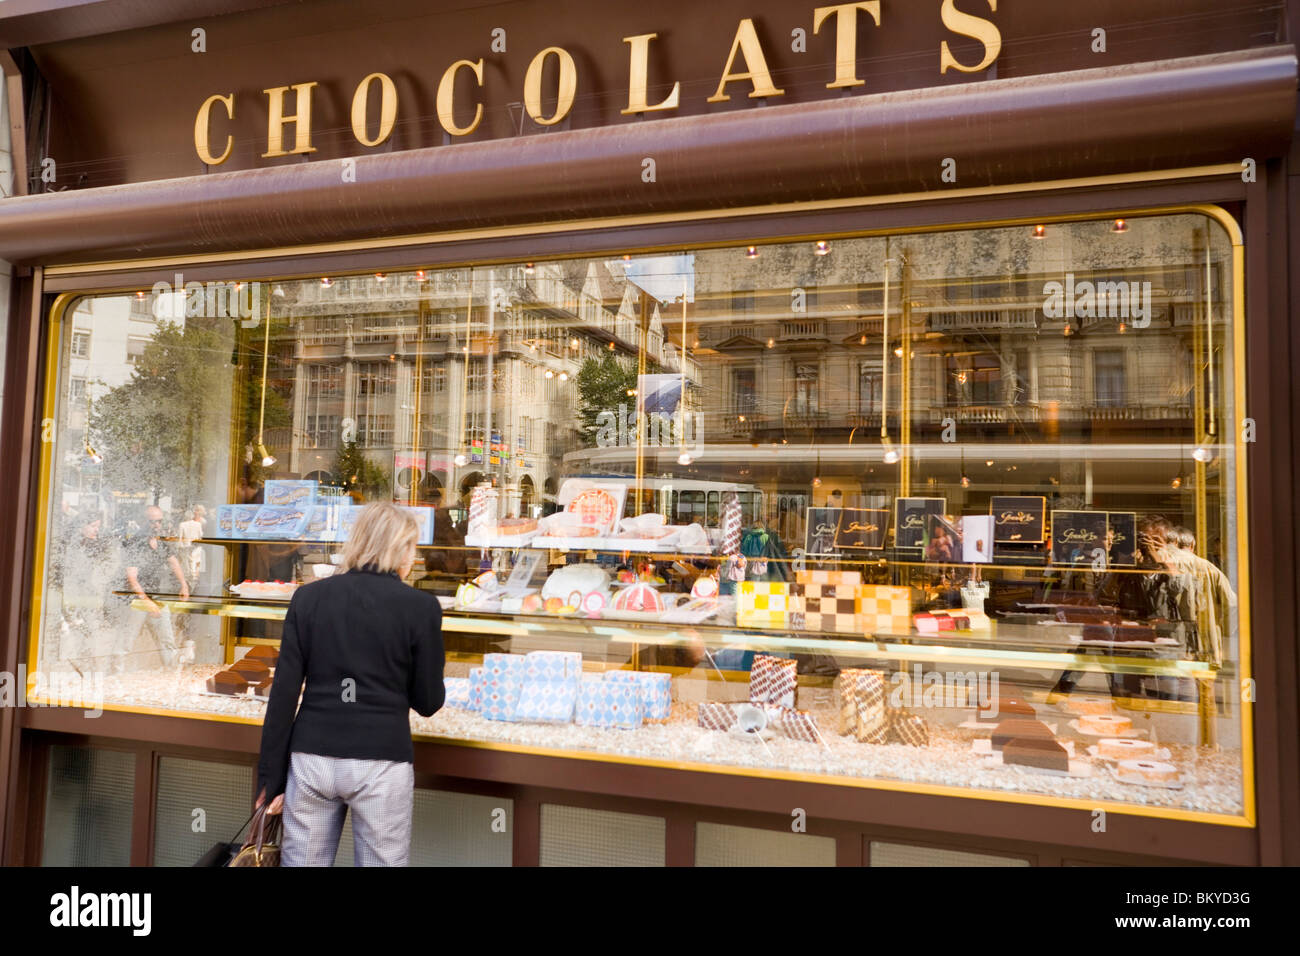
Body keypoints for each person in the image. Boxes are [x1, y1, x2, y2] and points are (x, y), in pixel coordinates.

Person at [256, 502, 445, 867]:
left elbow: (283, 694)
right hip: (381, 759)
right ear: (403, 549)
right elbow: (428, 701)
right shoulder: (421, 607)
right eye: (412, 547)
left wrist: (271, 777)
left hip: (312, 759)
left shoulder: (308, 598)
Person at [120, 505, 189, 672]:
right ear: (144, 522)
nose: (157, 525)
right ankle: (115, 674)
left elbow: (174, 562)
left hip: (155, 598)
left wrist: (184, 584)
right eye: (153, 522)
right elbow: (132, 578)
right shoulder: (135, 543)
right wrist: (146, 602)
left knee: (167, 639)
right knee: (126, 642)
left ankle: (172, 673)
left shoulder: (160, 543)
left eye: (159, 521)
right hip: (136, 600)